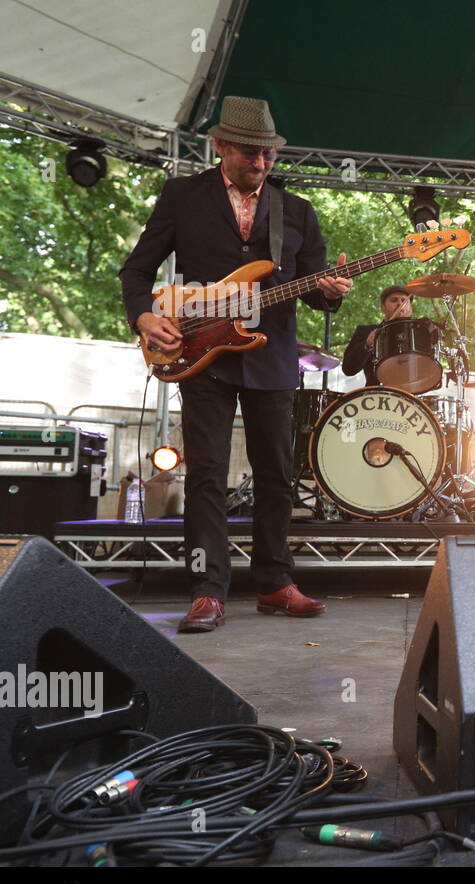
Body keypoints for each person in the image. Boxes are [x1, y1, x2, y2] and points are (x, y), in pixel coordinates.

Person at [120, 96, 353, 633]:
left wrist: (332, 291)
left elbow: (316, 291)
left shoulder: (296, 211)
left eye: (269, 154)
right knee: (206, 473)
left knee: (276, 474)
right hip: (201, 352)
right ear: (221, 146)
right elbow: (136, 270)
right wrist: (144, 318)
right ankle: (207, 591)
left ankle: (274, 582)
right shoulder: (183, 196)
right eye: (251, 153)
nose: (262, 163)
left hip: (271, 354)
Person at [342, 285, 414, 385]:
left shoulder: (419, 333)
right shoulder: (365, 331)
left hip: (411, 396)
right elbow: (348, 369)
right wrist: (367, 344)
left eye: (404, 301)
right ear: (382, 307)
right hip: (375, 396)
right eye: (394, 300)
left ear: (411, 308)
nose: (399, 304)